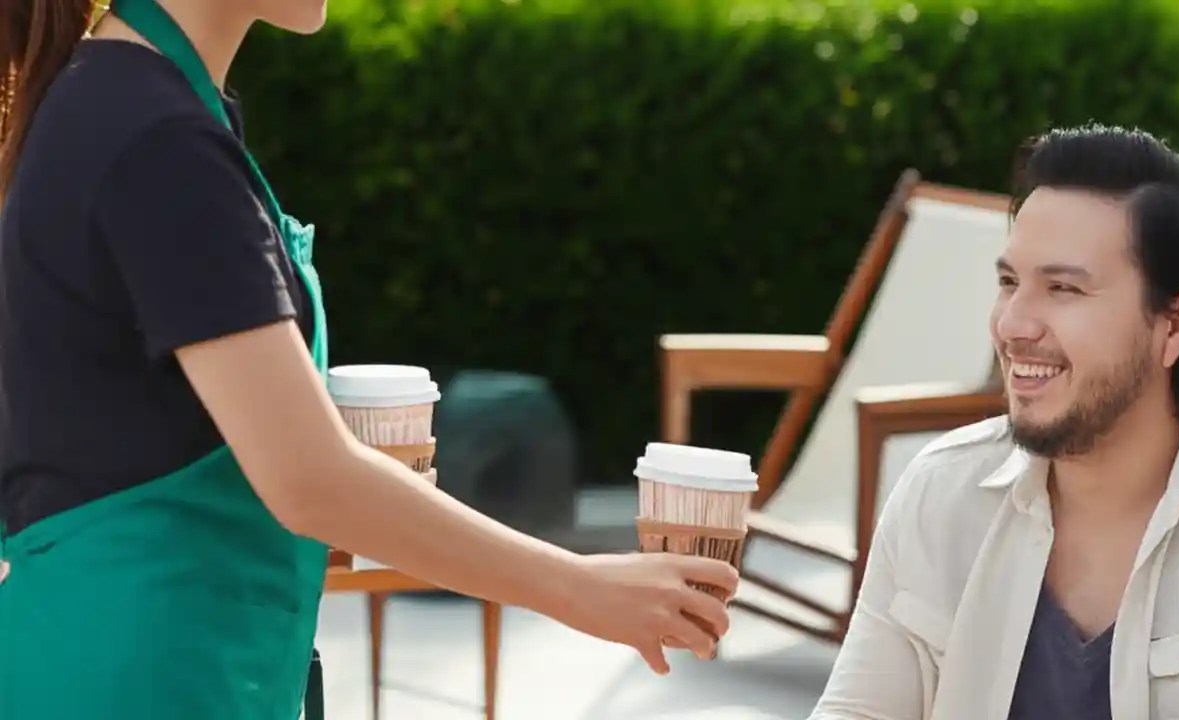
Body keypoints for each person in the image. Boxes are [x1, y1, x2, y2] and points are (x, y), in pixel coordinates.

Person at [0, 1, 737, 717]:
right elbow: (309, 478)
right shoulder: (157, 140)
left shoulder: (115, 103)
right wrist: (581, 587)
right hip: (146, 678)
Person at [809, 124, 1179, 720]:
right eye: (1009, 282)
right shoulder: (942, 491)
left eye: (1062, 288)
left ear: (1178, 323)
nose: (1012, 324)